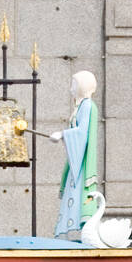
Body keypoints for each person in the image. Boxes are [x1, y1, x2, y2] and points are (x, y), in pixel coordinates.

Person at [50, 71, 99, 240]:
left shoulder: (88, 106)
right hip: (75, 160)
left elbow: (82, 133)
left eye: (74, 84)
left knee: (78, 194)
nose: (71, 89)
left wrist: (63, 134)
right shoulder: (80, 106)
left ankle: (78, 230)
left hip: (82, 162)